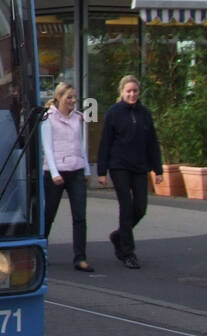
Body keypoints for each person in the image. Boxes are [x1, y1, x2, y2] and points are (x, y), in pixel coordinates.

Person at [97, 74, 163, 269]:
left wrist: (157, 169)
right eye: (129, 91)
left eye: (135, 91)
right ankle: (127, 252)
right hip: (119, 165)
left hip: (140, 166)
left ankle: (119, 235)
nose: (132, 94)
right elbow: (105, 143)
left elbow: (152, 143)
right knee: (125, 206)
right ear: (122, 92)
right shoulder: (113, 113)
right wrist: (102, 171)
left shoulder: (144, 113)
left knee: (140, 207)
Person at [40, 82, 94, 272]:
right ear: (59, 98)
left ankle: (80, 257)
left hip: (76, 169)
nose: (73, 101)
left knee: (80, 215)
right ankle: (40, 253)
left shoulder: (78, 118)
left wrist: (86, 169)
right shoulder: (48, 118)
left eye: (74, 97)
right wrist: (54, 172)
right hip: (56, 171)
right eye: (69, 97)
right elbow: (47, 146)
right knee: (49, 214)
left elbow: (81, 145)